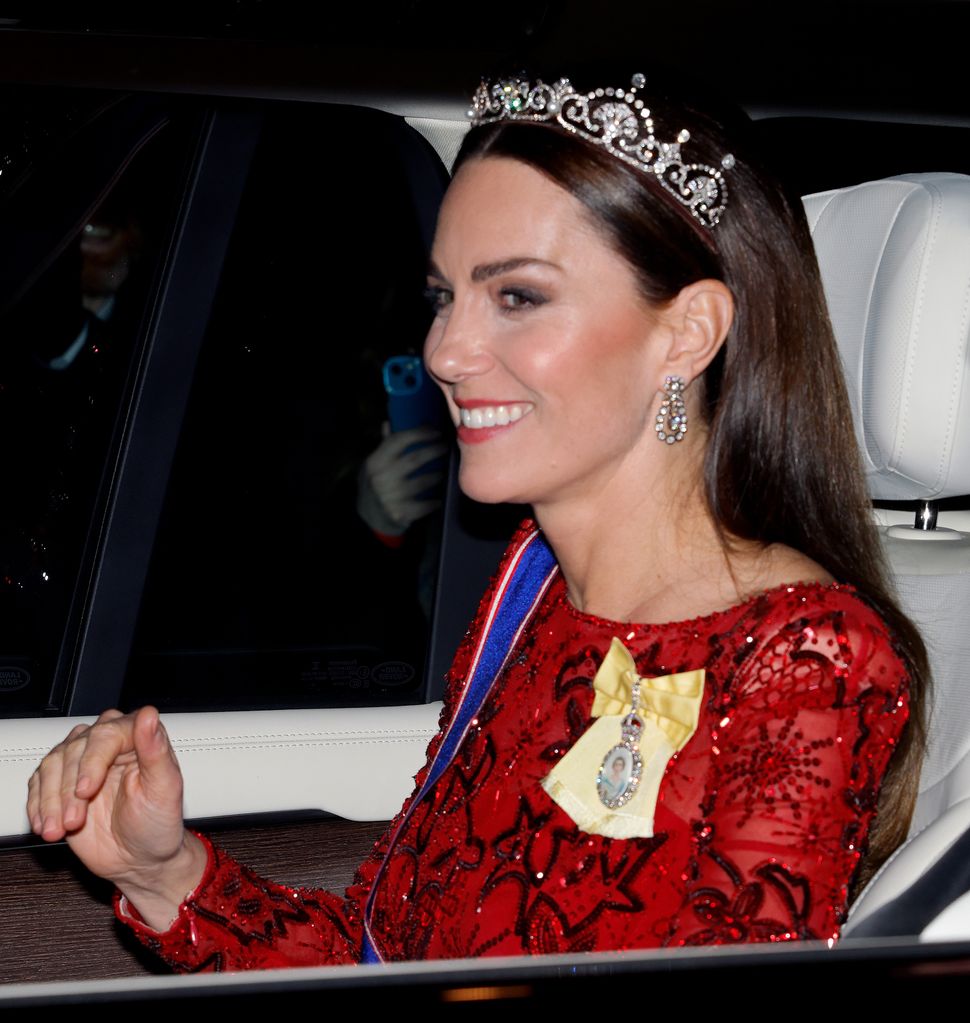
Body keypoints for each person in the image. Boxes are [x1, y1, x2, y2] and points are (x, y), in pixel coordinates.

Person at [26, 71, 927, 967]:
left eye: (517, 296)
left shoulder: (804, 657)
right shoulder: (533, 594)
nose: (445, 352)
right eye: (442, 297)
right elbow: (394, 959)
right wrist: (165, 870)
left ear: (687, 333)